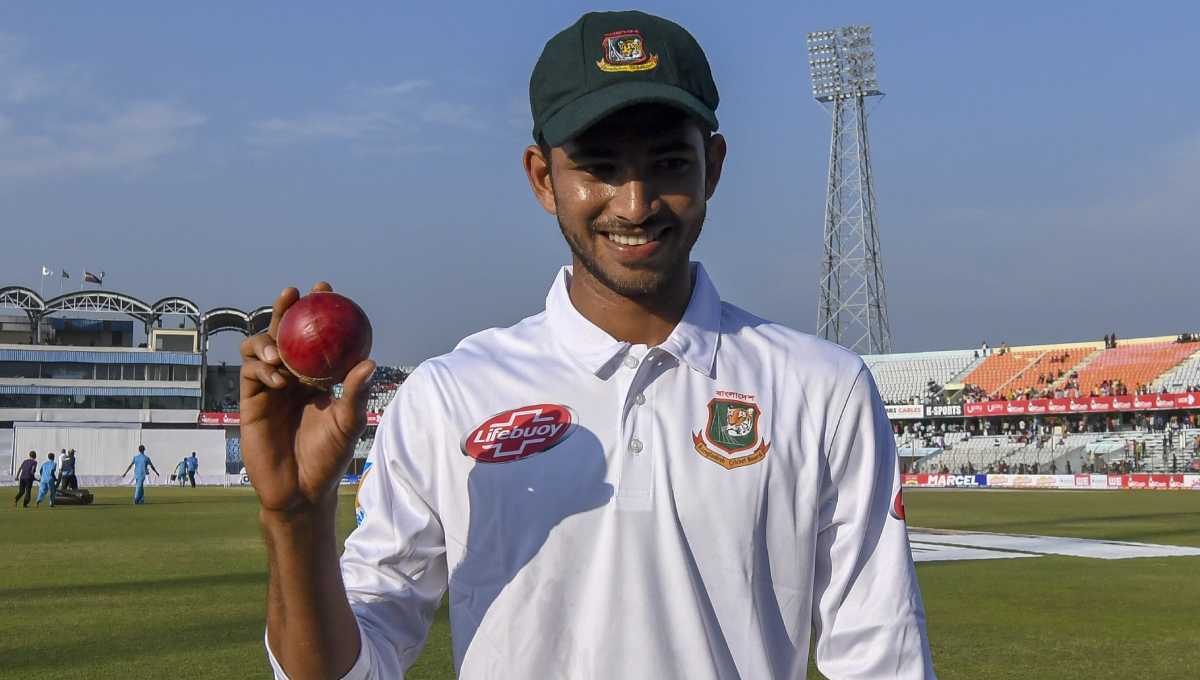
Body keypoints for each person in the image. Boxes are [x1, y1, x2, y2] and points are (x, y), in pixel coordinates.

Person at [246, 11, 934, 680]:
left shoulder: (821, 389)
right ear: (543, 178)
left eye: (668, 163)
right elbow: (344, 672)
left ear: (713, 167)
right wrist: (296, 519)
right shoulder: (450, 395)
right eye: (599, 168)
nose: (634, 205)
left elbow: (883, 660)